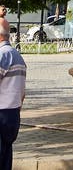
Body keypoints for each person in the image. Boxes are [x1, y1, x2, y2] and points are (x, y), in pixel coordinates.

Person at [0, 18, 26, 170]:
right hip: (13, 114)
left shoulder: (2, 55)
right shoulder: (17, 56)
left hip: (2, 113)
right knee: (6, 158)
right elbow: (22, 92)